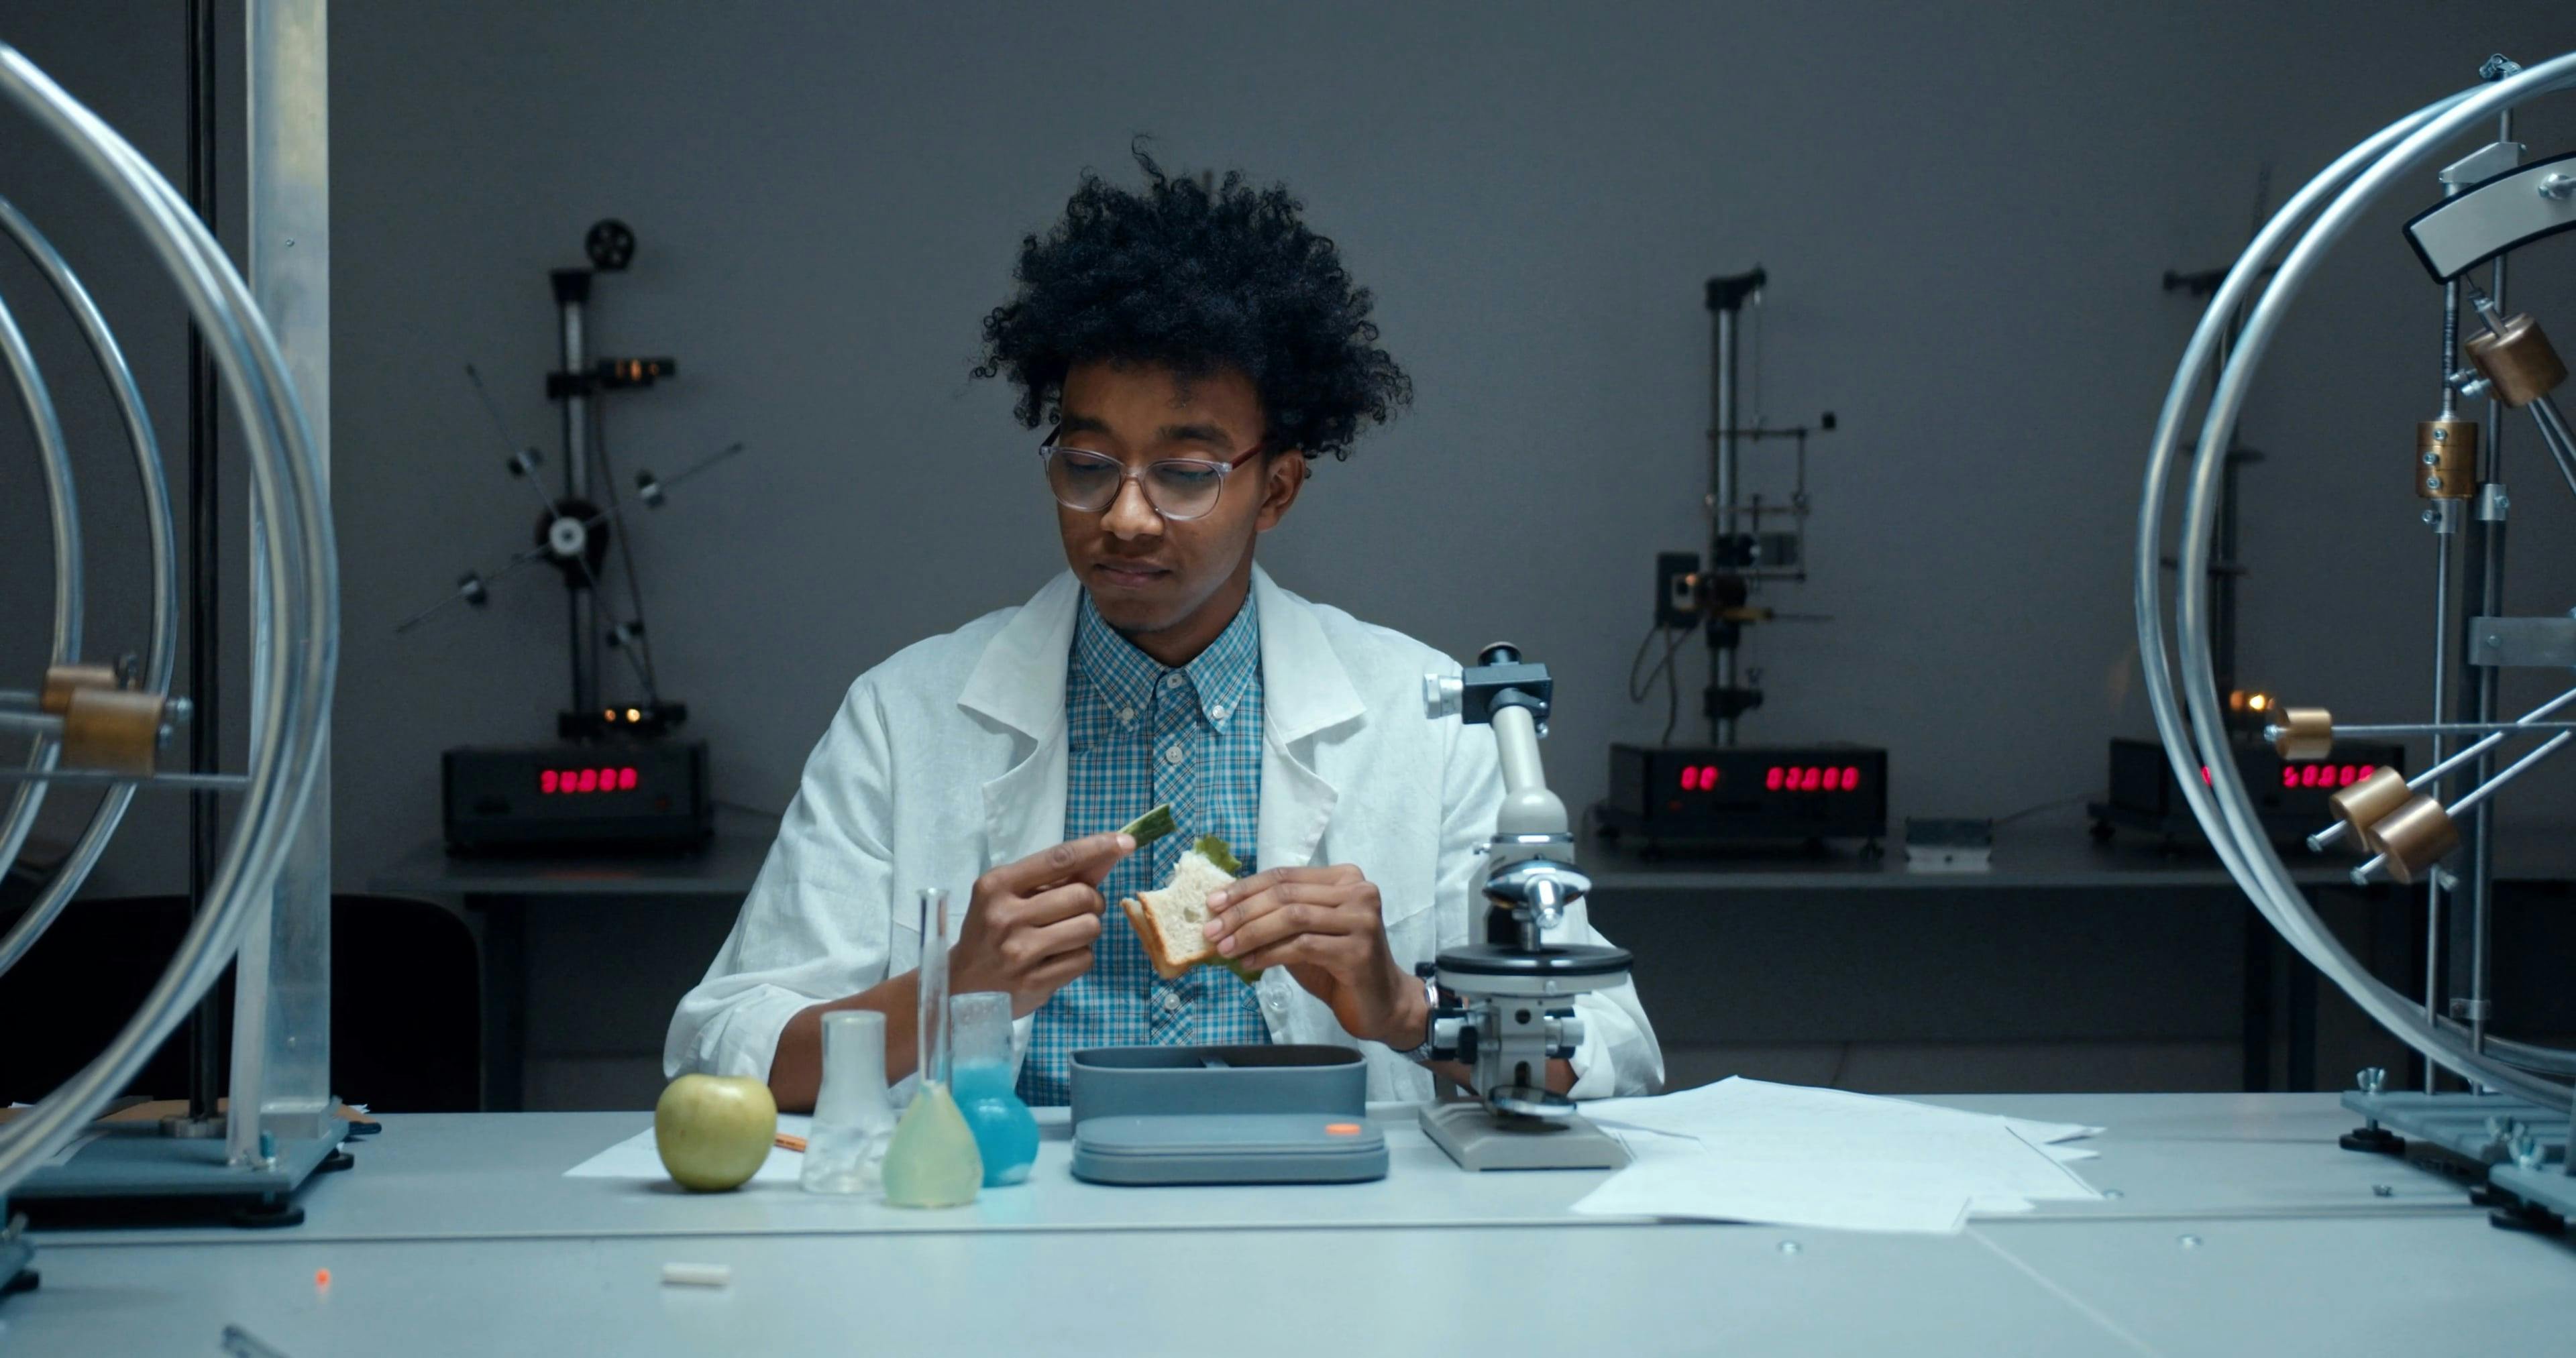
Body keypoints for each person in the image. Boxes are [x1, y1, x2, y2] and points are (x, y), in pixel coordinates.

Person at [667, 151, 1660, 1109]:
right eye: (1089, 462)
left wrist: (1405, 1006)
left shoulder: (1430, 723)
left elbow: (1610, 1047)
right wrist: (950, 991)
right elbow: (728, 1052)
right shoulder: (901, 717)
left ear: (1277, 487)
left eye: (1186, 473)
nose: (1126, 516)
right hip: (1003, 1244)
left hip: (1328, 1248)